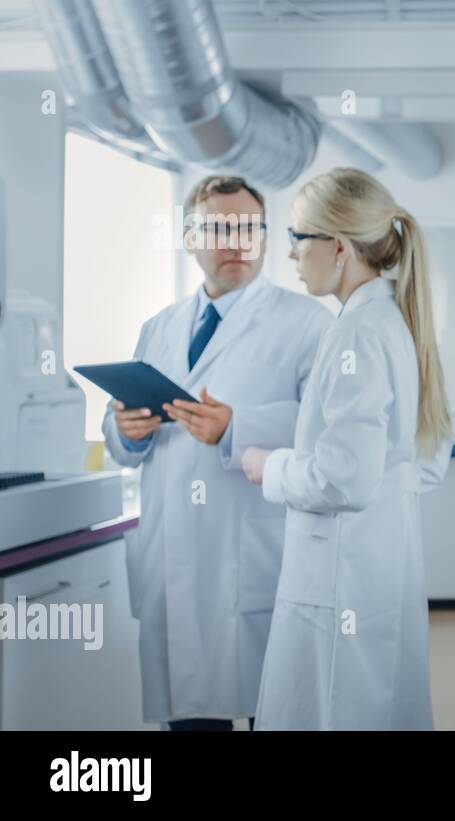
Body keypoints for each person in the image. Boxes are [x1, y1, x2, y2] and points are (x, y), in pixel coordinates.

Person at [103, 175, 331, 730]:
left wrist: (236, 427)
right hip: (172, 552)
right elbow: (124, 443)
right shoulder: (158, 328)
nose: (237, 241)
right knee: (188, 715)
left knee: (268, 705)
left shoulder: (308, 323)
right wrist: (127, 430)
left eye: (250, 228)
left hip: (253, 552)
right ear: (189, 237)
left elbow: (328, 429)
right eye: (219, 228)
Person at [240, 168, 453, 730]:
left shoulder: (356, 333)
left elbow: (344, 478)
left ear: (337, 246)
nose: (289, 254)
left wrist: (272, 467)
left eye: (296, 237)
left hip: (340, 578)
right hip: (377, 564)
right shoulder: (393, 321)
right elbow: (427, 462)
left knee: (331, 711)